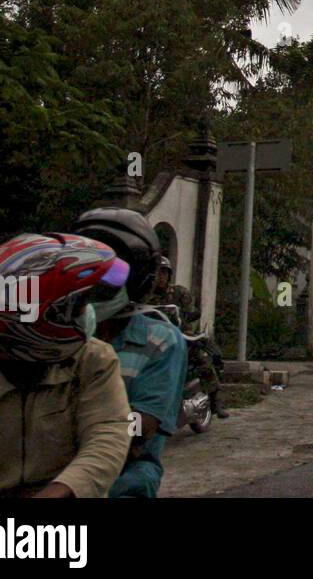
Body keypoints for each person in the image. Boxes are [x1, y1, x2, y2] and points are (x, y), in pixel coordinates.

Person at [0, 233, 133, 497]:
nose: (87, 314)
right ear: (39, 320)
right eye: (76, 308)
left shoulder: (94, 360)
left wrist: (62, 491)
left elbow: (109, 432)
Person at [72, 208, 188, 498]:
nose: (96, 283)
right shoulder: (62, 332)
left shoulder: (160, 341)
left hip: (122, 484)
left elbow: (140, 426)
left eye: (110, 273)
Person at [152, 255, 228, 419]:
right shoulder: (144, 295)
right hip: (152, 338)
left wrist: (186, 321)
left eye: (164, 273)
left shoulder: (179, 293)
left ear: (168, 275)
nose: (160, 277)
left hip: (180, 335)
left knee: (202, 359)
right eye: (157, 273)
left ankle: (215, 400)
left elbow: (192, 311)